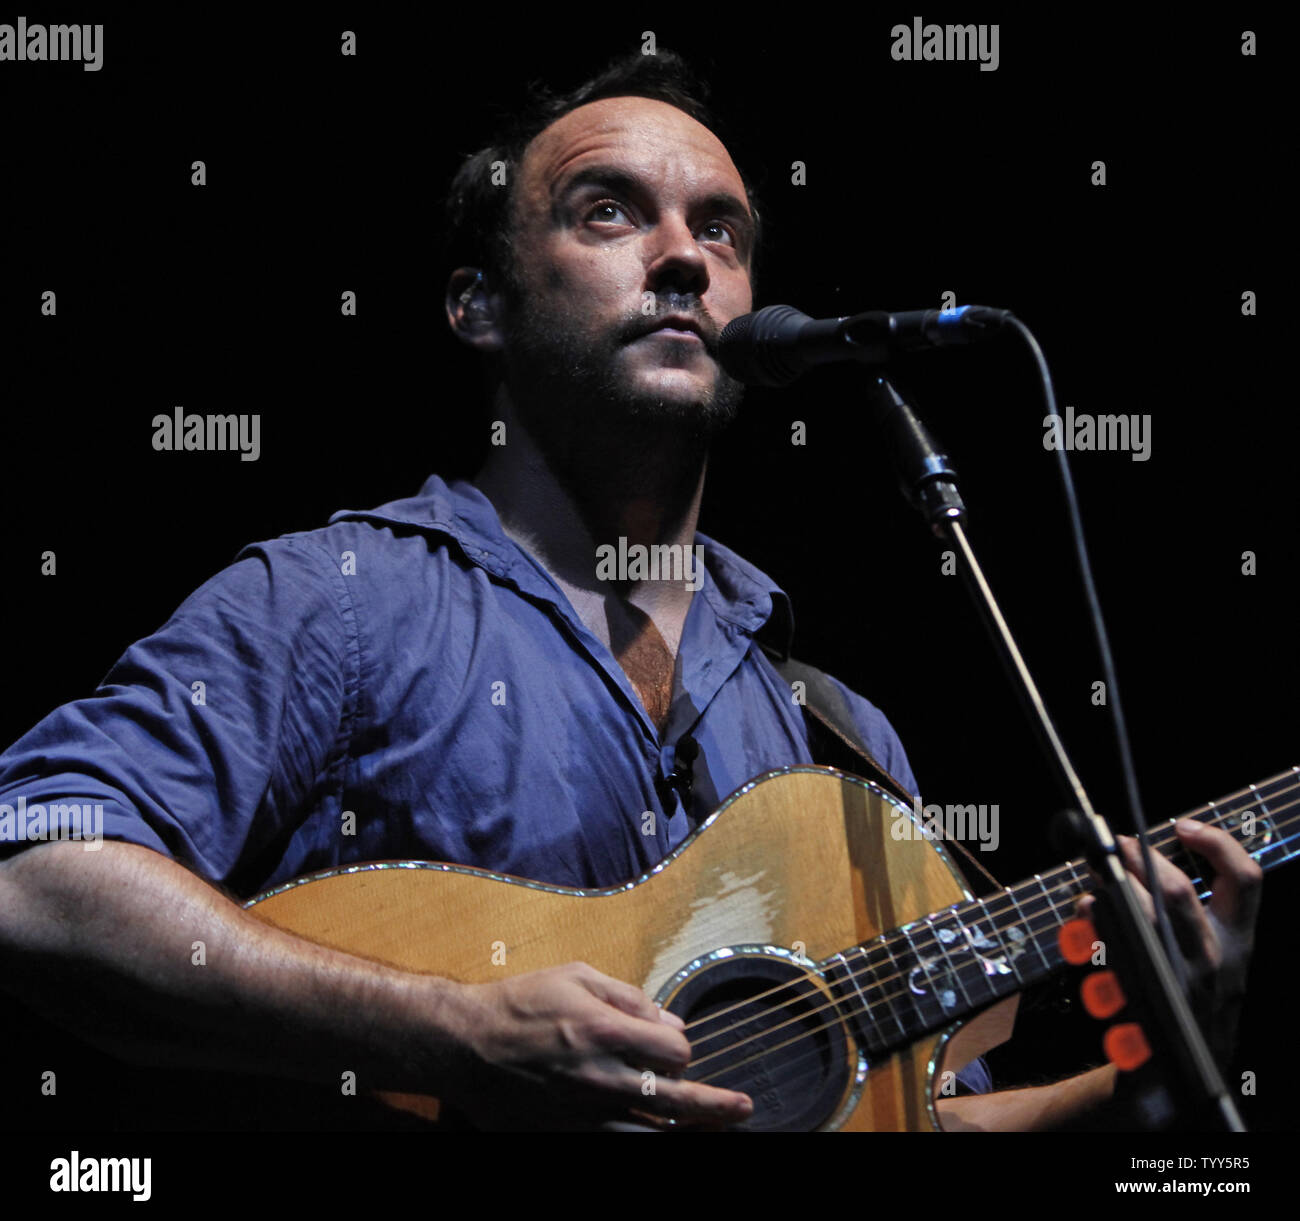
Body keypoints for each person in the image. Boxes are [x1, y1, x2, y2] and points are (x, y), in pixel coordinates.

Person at [0, 52, 1261, 1132]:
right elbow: (33, 878)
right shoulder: (337, 602)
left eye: (721, 230)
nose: (682, 261)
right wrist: (448, 1035)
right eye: (609, 213)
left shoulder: (842, 742)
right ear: (477, 305)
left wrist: (1146, 1073)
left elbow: (907, 1121)